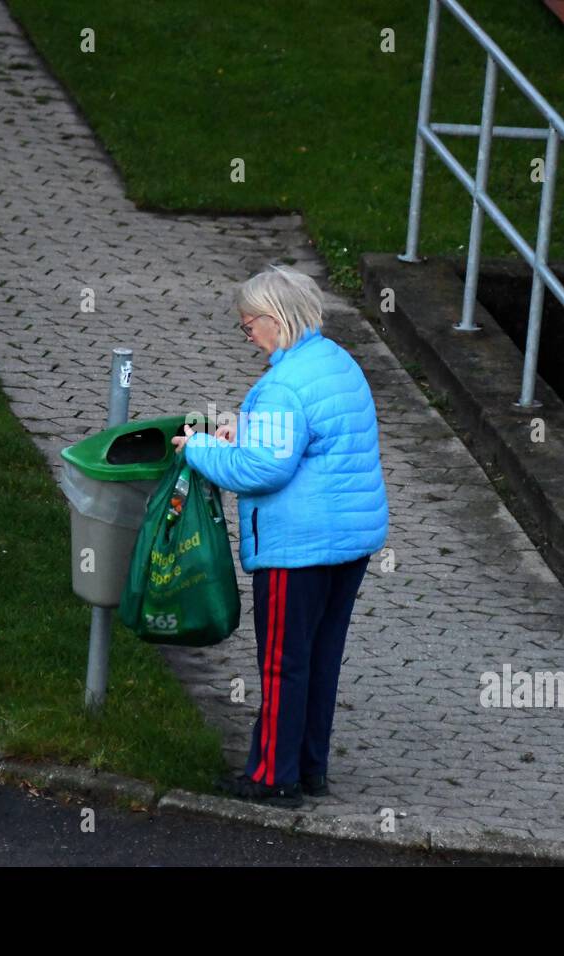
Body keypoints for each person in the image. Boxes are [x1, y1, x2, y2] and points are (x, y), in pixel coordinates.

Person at [171, 263, 389, 808]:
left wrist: (198, 450)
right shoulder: (337, 362)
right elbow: (310, 438)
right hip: (349, 543)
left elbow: (261, 471)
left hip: (299, 548)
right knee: (319, 657)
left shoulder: (280, 385)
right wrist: (243, 432)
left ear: (274, 319)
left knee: (282, 662)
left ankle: (272, 777)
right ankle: (310, 766)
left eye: (248, 326)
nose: (249, 338)